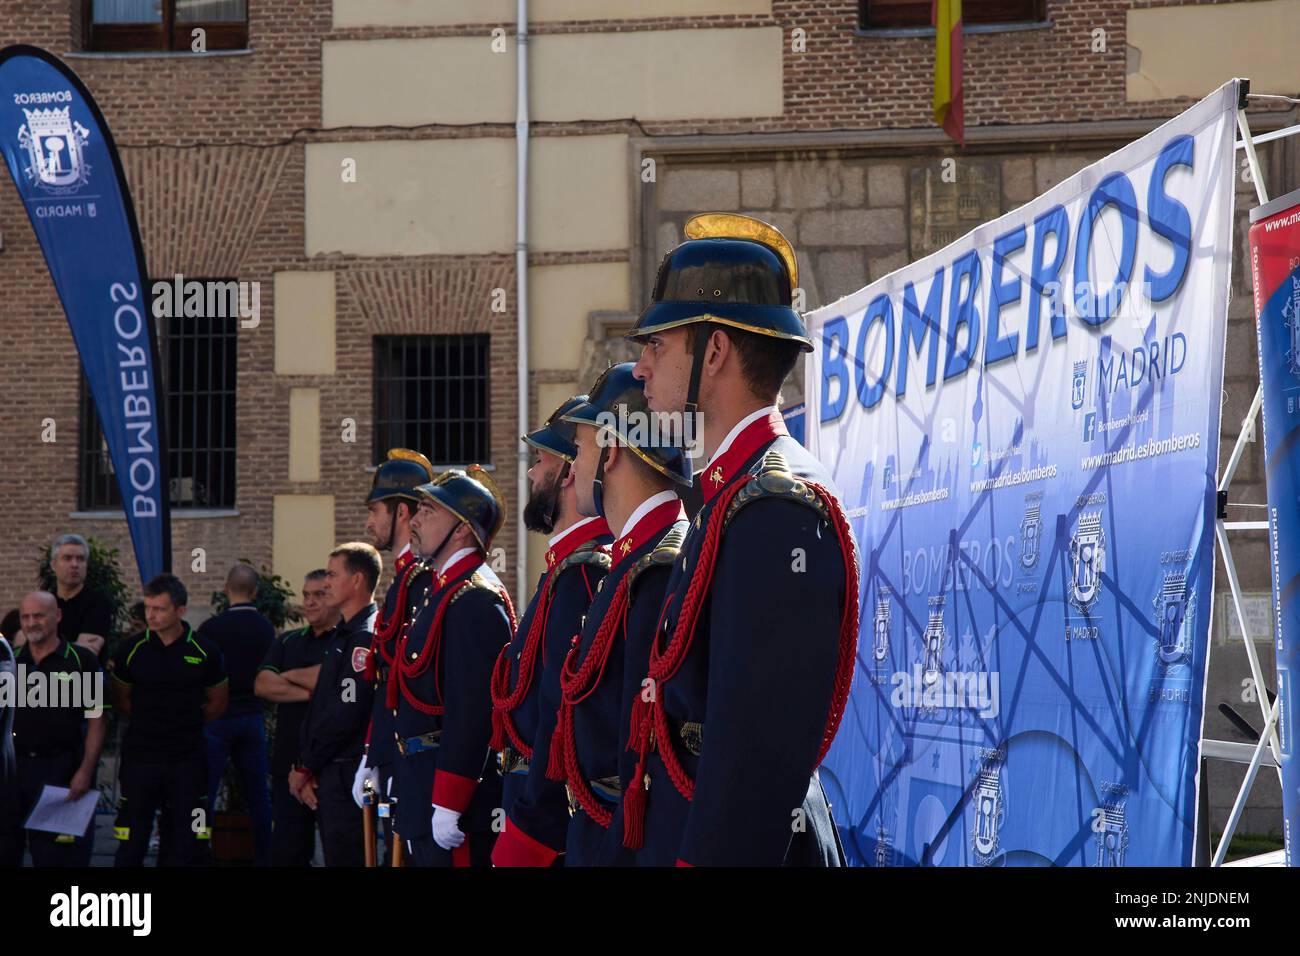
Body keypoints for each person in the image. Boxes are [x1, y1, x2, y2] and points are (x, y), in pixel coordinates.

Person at [623, 213, 861, 866]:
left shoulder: (774, 508)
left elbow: (754, 756)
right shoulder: (731, 497)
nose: (641, 369)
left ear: (717, 351)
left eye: (659, 345)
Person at [532, 365, 690, 866]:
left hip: (623, 843)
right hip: (597, 830)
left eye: (578, 449)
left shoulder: (658, 567)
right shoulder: (631, 563)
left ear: (611, 450)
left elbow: (651, 761)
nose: (572, 467)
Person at [489, 396, 613, 866]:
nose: (529, 473)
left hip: (552, 815)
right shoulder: (566, 568)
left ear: (567, 472)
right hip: (529, 794)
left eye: (540, 460)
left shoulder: (586, 571)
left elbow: (559, 714)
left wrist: (530, 828)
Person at [391, 467, 514, 866]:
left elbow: (473, 711)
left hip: (450, 797)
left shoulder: (475, 599)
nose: (415, 518)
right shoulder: (443, 591)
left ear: (462, 529)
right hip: (421, 783)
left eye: (428, 509)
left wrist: (449, 798)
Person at [111, 574, 229, 867]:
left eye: (160, 609)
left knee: (186, 841)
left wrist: (184, 722)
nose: (151, 615)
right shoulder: (131, 650)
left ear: (181, 610)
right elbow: (122, 699)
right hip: (141, 757)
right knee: (131, 839)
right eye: (148, 608)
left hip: (187, 759)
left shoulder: (204, 651)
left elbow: (217, 702)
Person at [355, 448, 436, 859]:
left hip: (414, 755)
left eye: (375, 510)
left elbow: (412, 681)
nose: (369, 522)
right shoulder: (405, 578)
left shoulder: (421, 580)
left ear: (402, 512)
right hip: (394, 750)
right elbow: (386, 678)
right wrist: (374, 751)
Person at [290, 543, 380, 867]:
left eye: (332, 574)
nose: (325, 583)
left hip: (346, 774)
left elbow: (346, 710)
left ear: (356, 581)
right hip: (331, 770)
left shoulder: (362, 639)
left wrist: (305, 766)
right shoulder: (343, 634)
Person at [0, 591, 105, 866]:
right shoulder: (12, 663)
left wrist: (85, 770)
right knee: (6, 850)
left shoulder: (82, 662)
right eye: (25, 617)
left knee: (57, 858)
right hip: (13, 773)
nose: (31, 622)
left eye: (39, 616)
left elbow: (97, 719)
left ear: (57, 616)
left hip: (61, 771)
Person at [255, 569, 336, 866]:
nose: (310, 602)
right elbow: (263, 685)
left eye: (319, 595)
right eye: (306, 595)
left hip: (330, 768)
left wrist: (288, 679)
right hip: (287, 765)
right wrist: (319, 689)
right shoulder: (288, 642)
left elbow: (341, 682)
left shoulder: (345, 641)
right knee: (287, 853)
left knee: (338, 853)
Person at [199, 564, 276, 866]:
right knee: (258, 793)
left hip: (218, 717)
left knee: (205, 790)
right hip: (253, 717)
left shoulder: (211, 628)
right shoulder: (266, 628)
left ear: (226, 588)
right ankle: (265, 855)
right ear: (255, 591)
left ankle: (199, 850)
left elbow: (202, 675)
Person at [49, 533, 114, 658]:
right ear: (53, 565)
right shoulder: (46, 603)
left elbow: (86, 653)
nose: (74, 565)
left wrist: (47, 649)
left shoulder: (98, 602)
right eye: (67, 558)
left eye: (80, 559)